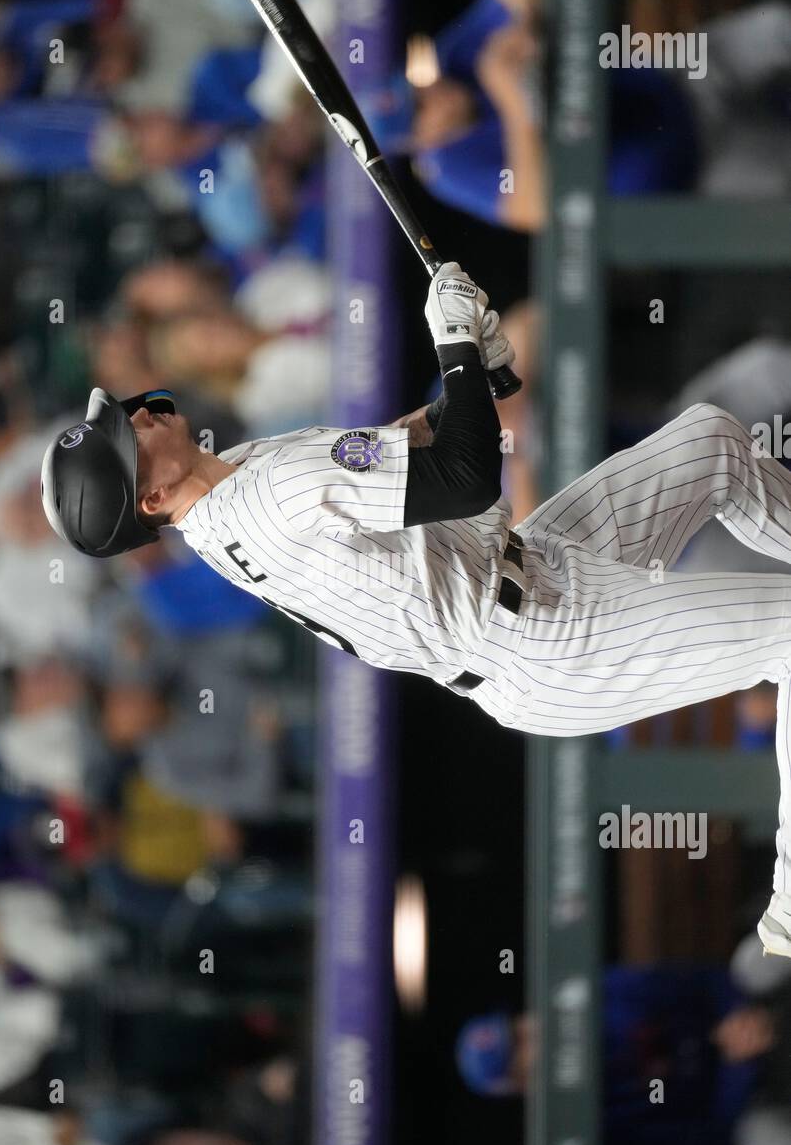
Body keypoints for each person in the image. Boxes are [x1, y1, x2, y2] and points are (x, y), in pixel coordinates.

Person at [42, 265, 791, 959]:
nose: (135, 418)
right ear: (149, 500)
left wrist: (473, 379)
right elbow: (464, 479)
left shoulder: (228, 486)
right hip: (542, 639)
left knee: (713, 444)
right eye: (125, 442)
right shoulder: (263, 496)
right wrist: (457, 347)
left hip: (530, 565)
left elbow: (398, 449)